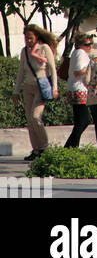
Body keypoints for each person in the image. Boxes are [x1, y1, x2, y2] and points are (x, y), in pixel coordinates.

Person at [13, 25, 58, 161]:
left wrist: (55, 88)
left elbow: (52, 69)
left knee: (35, 117)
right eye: (26, 38)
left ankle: (44, 146)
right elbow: (21, 72)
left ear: (36, 37)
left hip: (41, 87)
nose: (28, 41)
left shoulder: (44, 49)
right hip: (28, 87)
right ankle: (36, 149)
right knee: (29, 120)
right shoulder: (24, 51)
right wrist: (16, 91)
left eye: (30, 38)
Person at [64, 34, 94, 148]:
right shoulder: (81, 53)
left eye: (91, 43)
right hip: (79, 89)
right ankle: (70, 146)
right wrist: (91, 66)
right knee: (84, 120)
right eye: (87, 44)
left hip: (74, 89)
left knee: (80, 121)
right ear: (80, 45)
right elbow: (78, 72)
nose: (90, 46)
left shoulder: (77, 53)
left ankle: (72, 146)